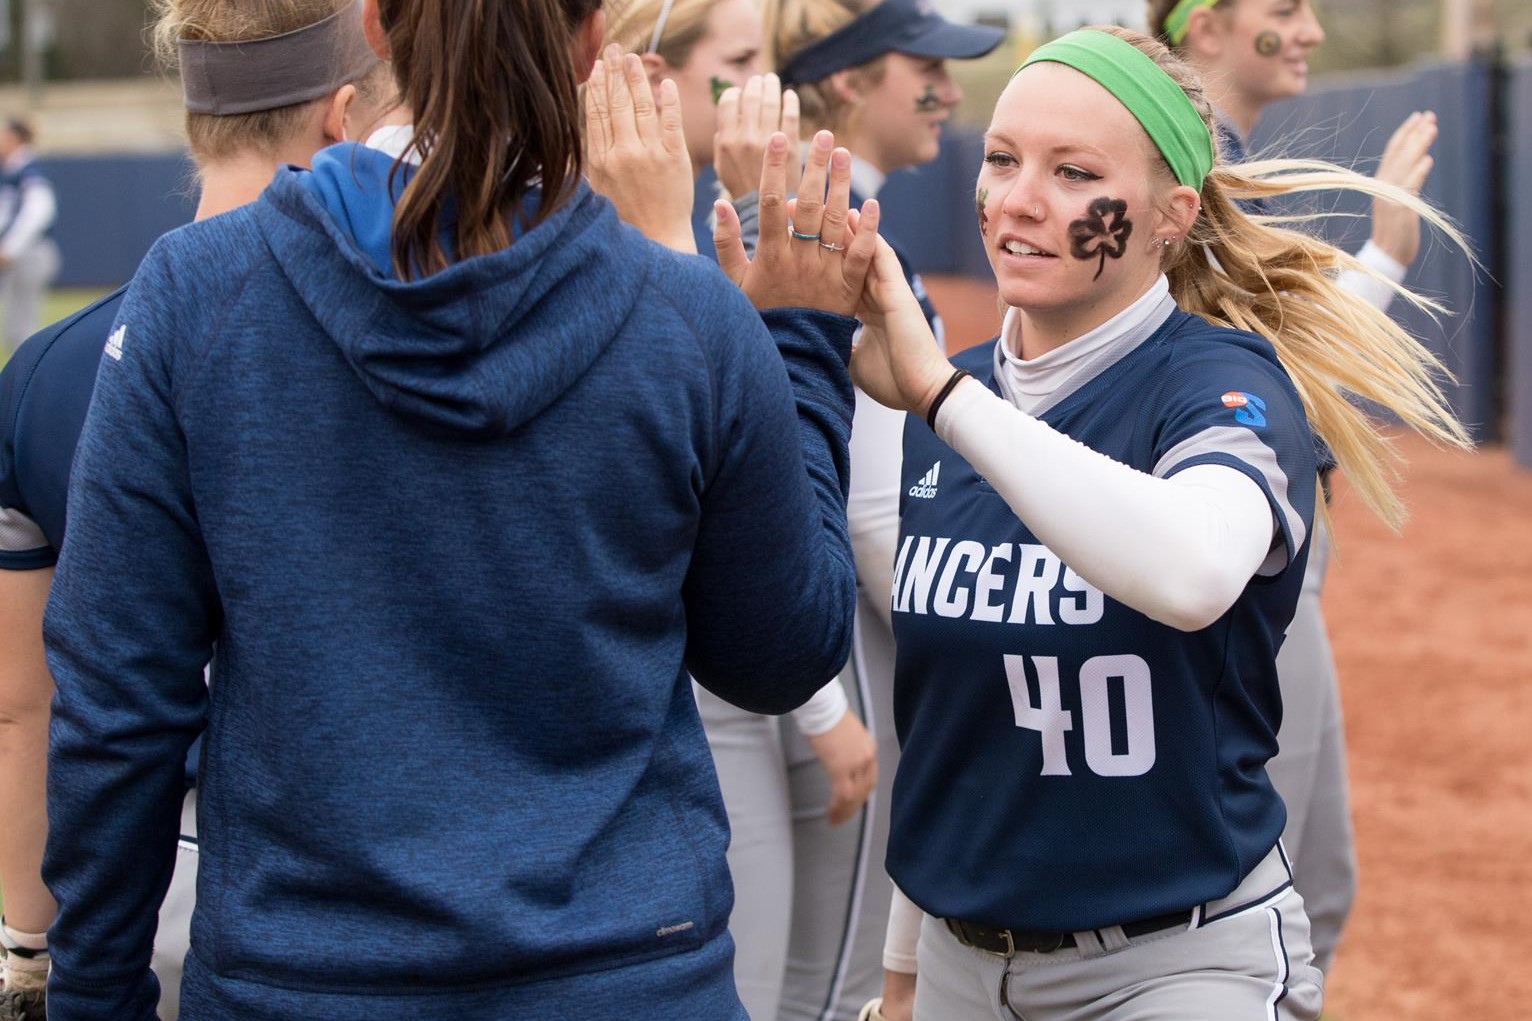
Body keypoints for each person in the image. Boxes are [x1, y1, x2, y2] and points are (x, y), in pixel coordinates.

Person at [39, 0, 883, 1015]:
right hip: (623, 977)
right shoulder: (685, 317)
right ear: (587, 44)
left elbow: (116, 700)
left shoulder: (195, 292)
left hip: (305, 979)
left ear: (376, 29)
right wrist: (797, 347)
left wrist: (93, 994)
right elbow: (781, 653)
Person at [841, 25, 1469, 1021]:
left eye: (1072, 171)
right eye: (1002, 159)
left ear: (1169, 214)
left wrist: (939, 399)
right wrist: (903, 974)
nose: (1016, 199)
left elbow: (1188, 574)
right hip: (961, 966)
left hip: (1174, 964)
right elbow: (950, 732)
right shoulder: (942, 399)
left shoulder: (1217, 381)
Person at [0, 4, 391, 1019]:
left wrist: (34, 944)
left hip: (126, 882)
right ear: (346, 116)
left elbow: (26, 703)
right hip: (369, 883)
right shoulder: (408, 335)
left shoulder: (46, 368)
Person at [592, 6, 885, 1016]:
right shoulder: (629, 267)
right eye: (740, 65)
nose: (770, 89)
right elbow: (758, 561)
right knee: (765, 983)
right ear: (641, 83)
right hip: (693, 696)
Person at [1148, 0, 1440, 973]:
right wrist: (1387, 253)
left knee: (1311, 883)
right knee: (1280, 891)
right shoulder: (1189, 174)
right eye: (1283, 9)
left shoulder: (1216, 164)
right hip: (1244, 560)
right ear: (1203, 26)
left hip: (1265, 549)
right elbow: (1275, 387)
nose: (1309, 29)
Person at [0, 119, 60, 362]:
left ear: (15, 138)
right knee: (15, 327)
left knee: (22, 326)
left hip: (30, 252)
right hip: (17, 254)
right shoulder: (10, 170)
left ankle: (22, 387)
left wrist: (10, 249)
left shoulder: (29, 170)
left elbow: (39, 211)